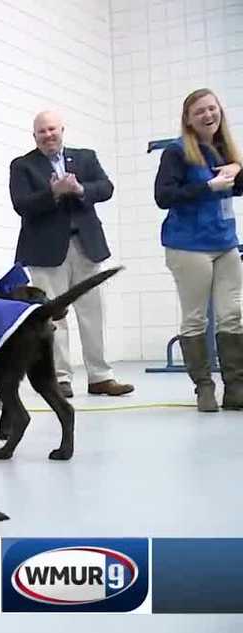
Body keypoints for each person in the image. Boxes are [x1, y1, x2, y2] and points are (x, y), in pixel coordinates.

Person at [9, 111, 134, 399]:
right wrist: (52, 193)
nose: (48, 135)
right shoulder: (23, 166)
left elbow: (106, 188)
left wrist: (79, 189)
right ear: (34, 136)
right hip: (44, 252)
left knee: (93, 312)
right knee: (53, 318)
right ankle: (59, 378)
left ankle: (101, 376)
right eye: (41, 131)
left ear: (62, 130)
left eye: (52, 129)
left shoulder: (86, 158)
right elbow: (21, 204)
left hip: (85, 246)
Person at [154, 88, 243, 412]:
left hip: (225, 243)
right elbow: (163, 196)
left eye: (212, 108)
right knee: (195, 319)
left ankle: (236, 388)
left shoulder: (224, 150)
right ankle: (204, 387)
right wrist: (208, 187)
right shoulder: (177, 153)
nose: (208, 115)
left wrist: (237, 171)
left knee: (231, 315)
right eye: (200, 111)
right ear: (188, 120)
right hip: (188, 245)